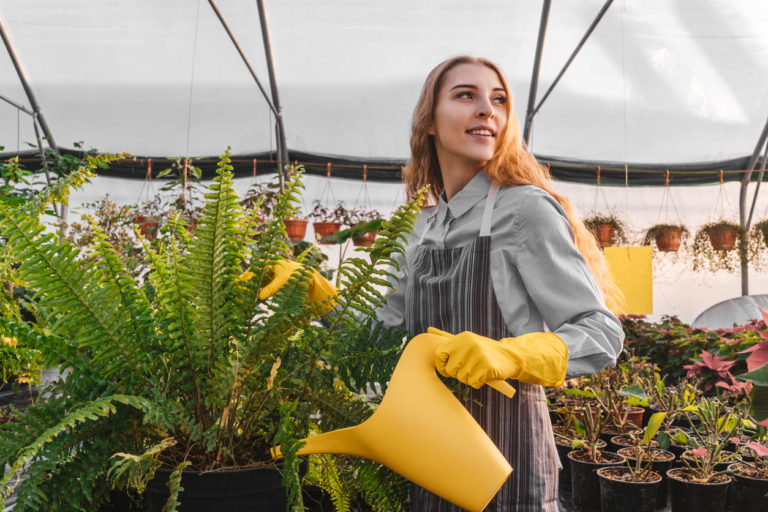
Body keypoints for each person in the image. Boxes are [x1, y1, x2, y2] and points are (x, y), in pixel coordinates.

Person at [260, 56, 624, 512]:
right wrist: (317, 293)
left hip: (505, 457)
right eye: (465, 95)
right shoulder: (418, 227)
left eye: (499, 100)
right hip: (427, 457)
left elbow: (601, 332)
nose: (487, 110)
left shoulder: (523, 211)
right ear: (429, 120)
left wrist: (510, 353)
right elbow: (378, 338)